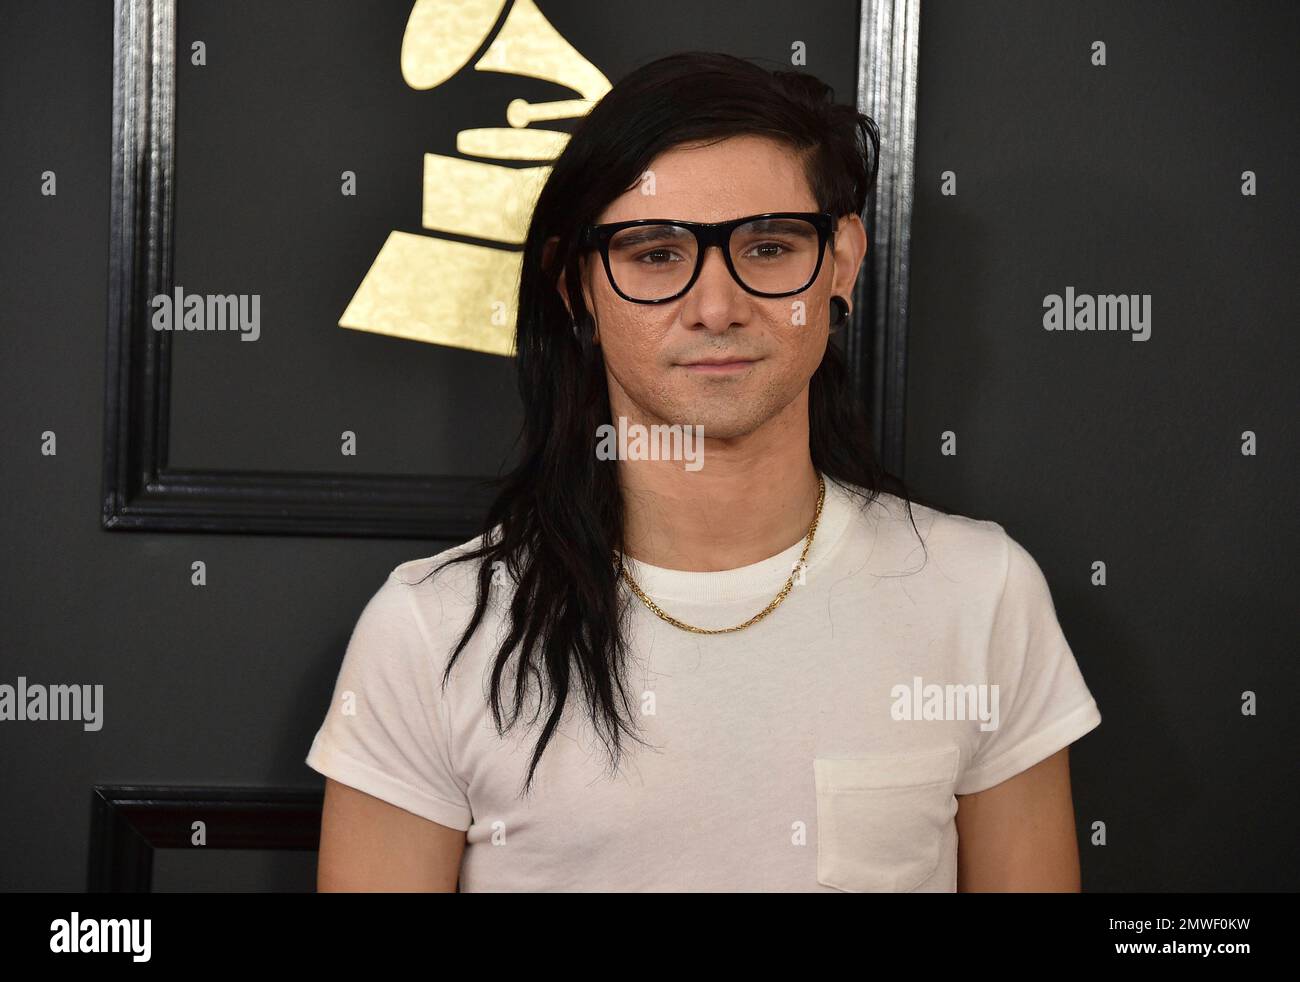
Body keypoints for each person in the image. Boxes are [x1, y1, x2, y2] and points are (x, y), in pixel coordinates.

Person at [306, 50, 1101, 892]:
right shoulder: (432, 632)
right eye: (654, 254)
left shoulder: (980, 593)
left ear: (842, 262)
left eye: (766, 247)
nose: (716, 307)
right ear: (577, 286)